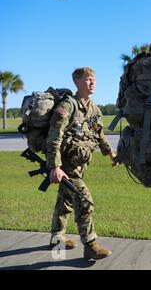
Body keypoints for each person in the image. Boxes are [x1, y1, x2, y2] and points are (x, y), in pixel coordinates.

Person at [47, 67, 118, 260]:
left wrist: (110, 153)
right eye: (88, 79)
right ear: (77, 82)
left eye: (94, 79)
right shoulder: (68, 106)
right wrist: (55, 167)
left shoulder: (94, 108)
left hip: (80, 165)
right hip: (66, 165)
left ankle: (57, 238)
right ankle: (90, 245)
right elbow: (55, 136)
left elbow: (99, 134)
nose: (92, 82)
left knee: (65, 201)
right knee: (84, 199)